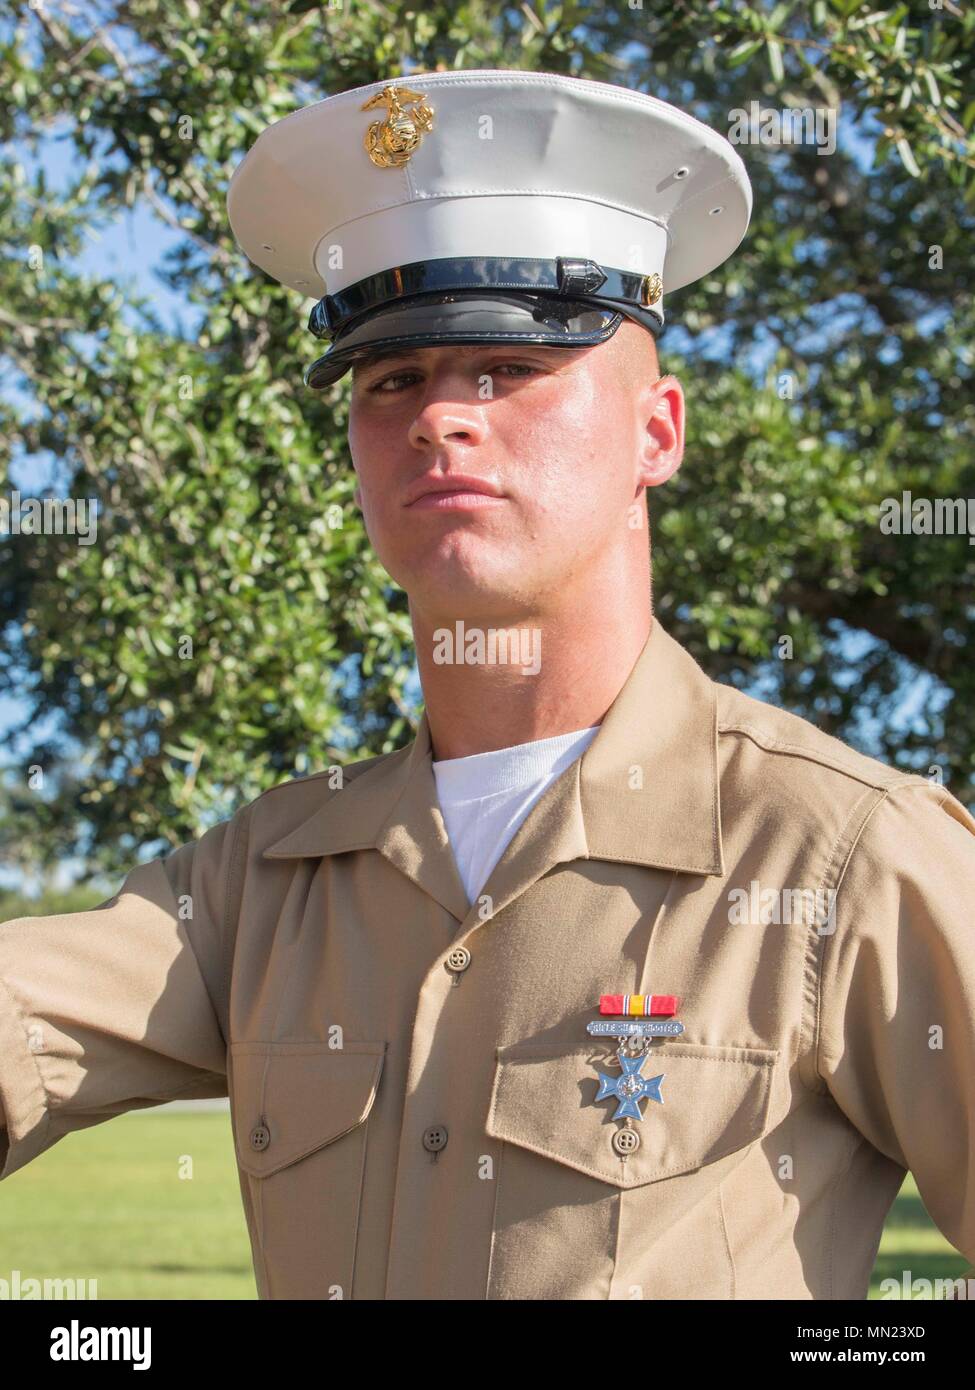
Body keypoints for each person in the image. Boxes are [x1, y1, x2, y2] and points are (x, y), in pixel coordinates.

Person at [1, 68, 973, 1302]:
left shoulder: (841, 858)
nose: (440, 419)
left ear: (656, 434)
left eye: (509, 367)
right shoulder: (262, 885)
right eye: (391, 380)